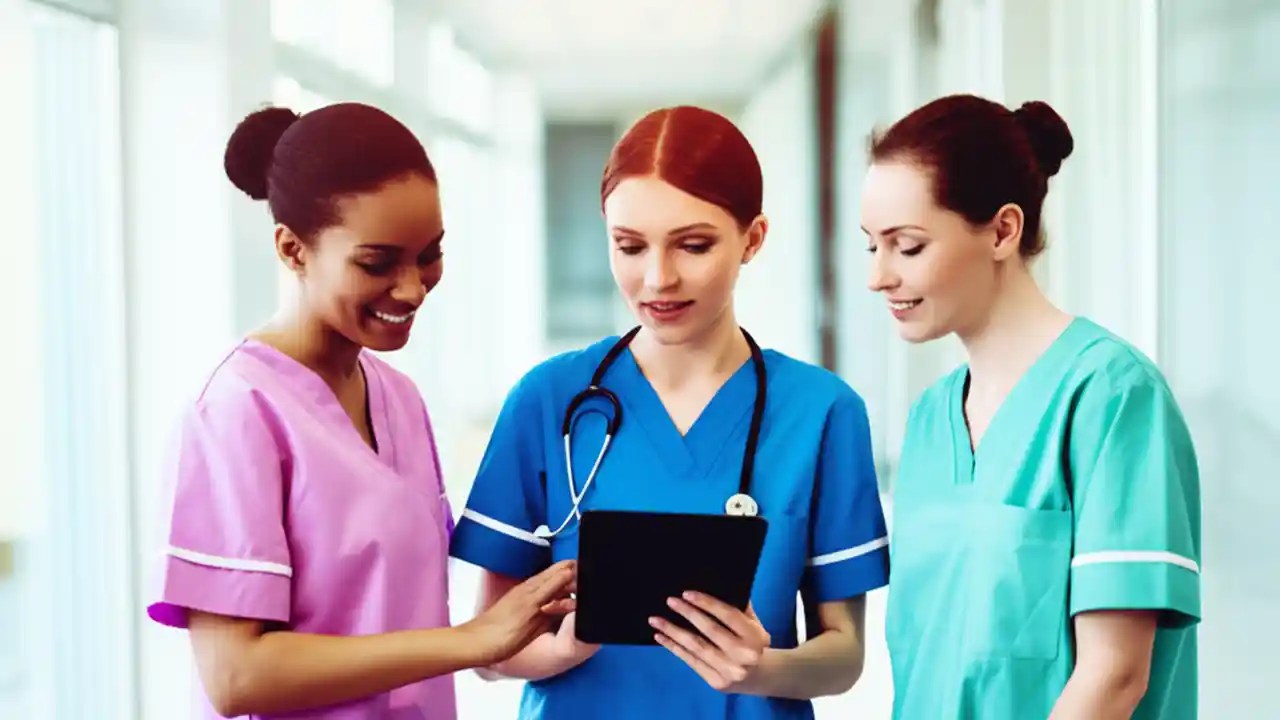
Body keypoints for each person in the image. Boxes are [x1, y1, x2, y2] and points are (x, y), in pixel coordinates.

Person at [447, 105, 890, 720]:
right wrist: (564, 649)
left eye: (694, 245)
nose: (658, 278)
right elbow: (487, 649)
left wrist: (762, 669)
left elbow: (844, 657)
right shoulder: (550, 401)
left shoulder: (821, 413)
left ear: (752, 239)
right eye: (629, 246)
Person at [145, 102, 577, 720]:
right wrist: (467, 641)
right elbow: (236, 675)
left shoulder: (399, 397)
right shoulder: (236, 411)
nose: (412, 287)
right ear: (293, 250)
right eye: (377, 263)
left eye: (429, 254)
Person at [861, 93, 1202, 719]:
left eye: (906, 246)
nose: (878, 276)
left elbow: (1115, 675)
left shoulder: (1110, 396)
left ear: (1002, 230)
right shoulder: (931, 420)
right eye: (870, 247)